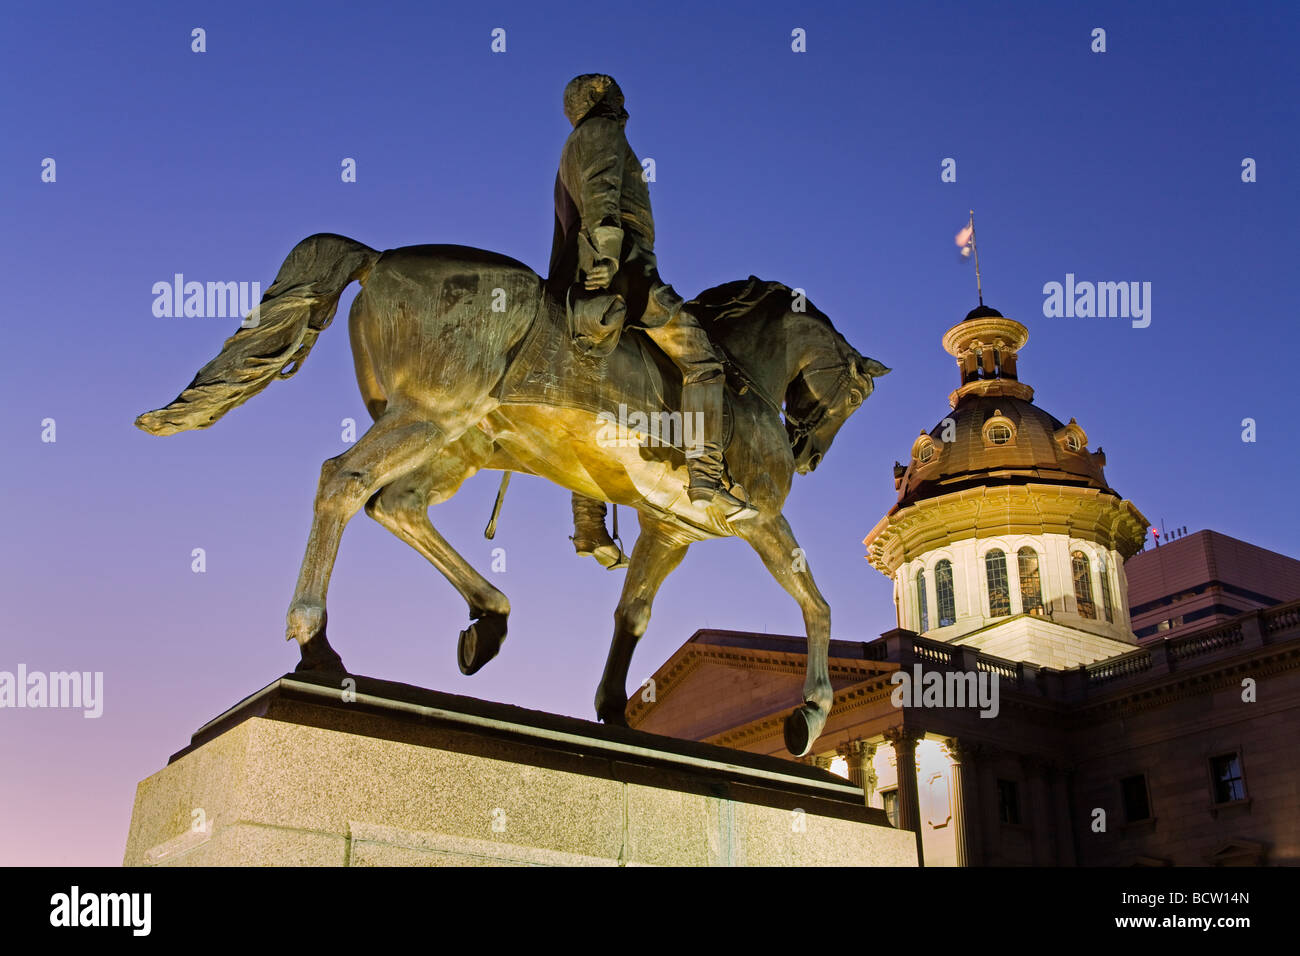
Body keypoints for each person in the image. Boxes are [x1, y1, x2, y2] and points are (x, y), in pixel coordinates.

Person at [546, 74, 756, 568]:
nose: (624, 106)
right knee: (703, 360)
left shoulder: (568, 149)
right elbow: (601, 201)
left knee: (591, 399)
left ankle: (588, 525)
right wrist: (606, 262)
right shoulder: (601, 134)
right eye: (616, 97)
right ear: (603, 100)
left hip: (580, 277)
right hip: (628, 277)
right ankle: (706, 479)